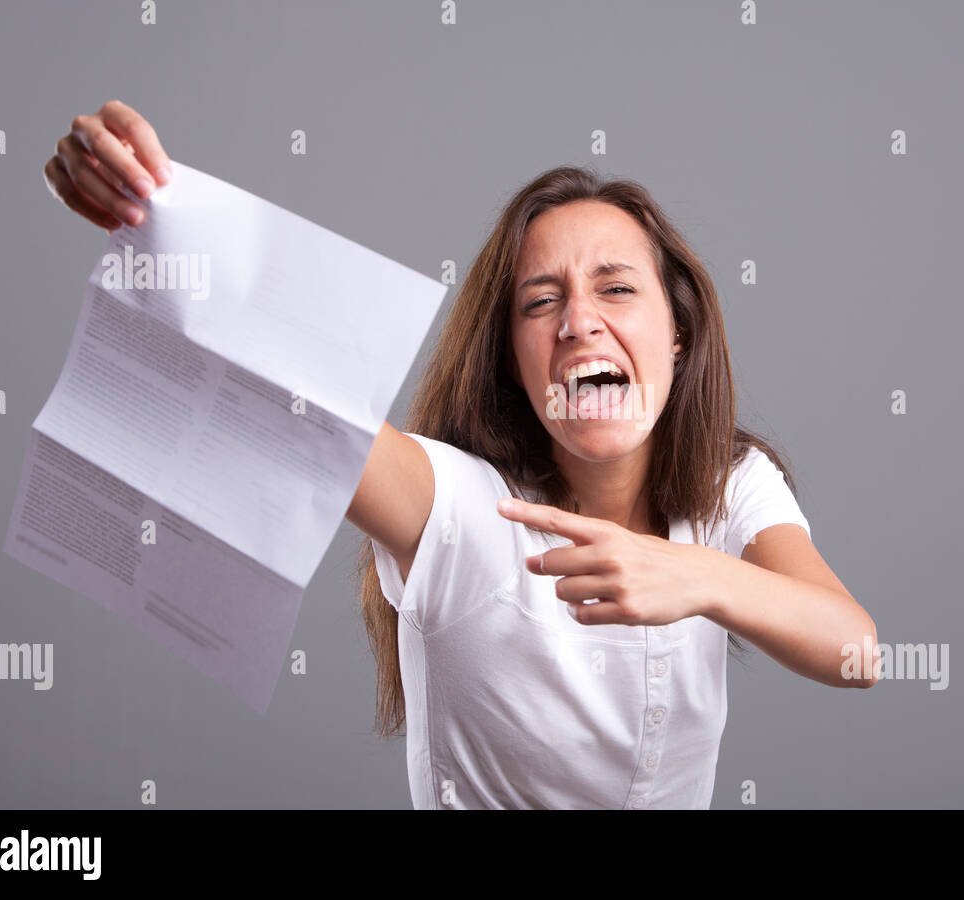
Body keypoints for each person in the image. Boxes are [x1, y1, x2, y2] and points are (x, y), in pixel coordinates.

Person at [44, 100, 881, 809]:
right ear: (513, 362)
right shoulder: (459, 508)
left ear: (679, 335)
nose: (579, 320)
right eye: (541, 301)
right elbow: (304, 405)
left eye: (617, 288)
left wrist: (695, 576)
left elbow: (857, 651)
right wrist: (158, 219)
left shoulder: (730, 487)